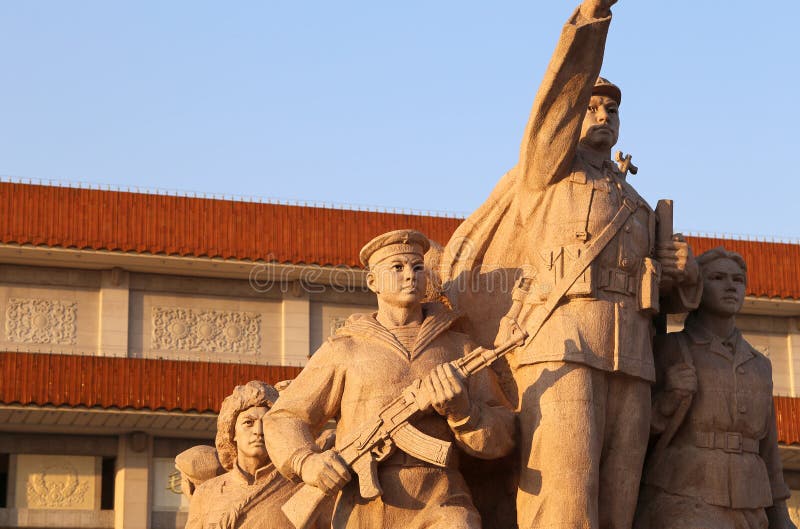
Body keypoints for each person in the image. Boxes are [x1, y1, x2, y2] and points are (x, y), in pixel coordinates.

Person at [439, 1, 702, 527]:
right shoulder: (547, 173)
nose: (603, 117)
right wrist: (593, 17)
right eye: (592, 108)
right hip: (561, 343)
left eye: (612, 111)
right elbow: (557, 99)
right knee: (563, 498)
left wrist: (682, 276)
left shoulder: (637, 205)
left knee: (617, 501)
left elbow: (665, 294)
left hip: (629, 354)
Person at [264, 229, 515, 529]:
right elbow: (285, 417)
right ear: (373, 282)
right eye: (397, 267)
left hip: (443, 498)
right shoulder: (345, 349)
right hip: (367, 506)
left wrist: (465, 413)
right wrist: (306, 462)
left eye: (418, 267)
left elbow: (504, 432)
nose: (410, 275)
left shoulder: (459, 347)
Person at [634, 248, 796, 529]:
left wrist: (779, 514)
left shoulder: (760, 364)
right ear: (698, 286)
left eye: (738, 280)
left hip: (750, 501)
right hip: (685, 493)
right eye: (718, 277)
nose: (731, 285)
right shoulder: (669, 349)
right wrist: (667, 400)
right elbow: (633, 433)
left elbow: (768, 450)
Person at [184, 381, 331, 529]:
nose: (259, 431)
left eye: (267, 423)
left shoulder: (303, 486)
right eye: (248, 423)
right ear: (232, 432)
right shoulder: (207, 493)